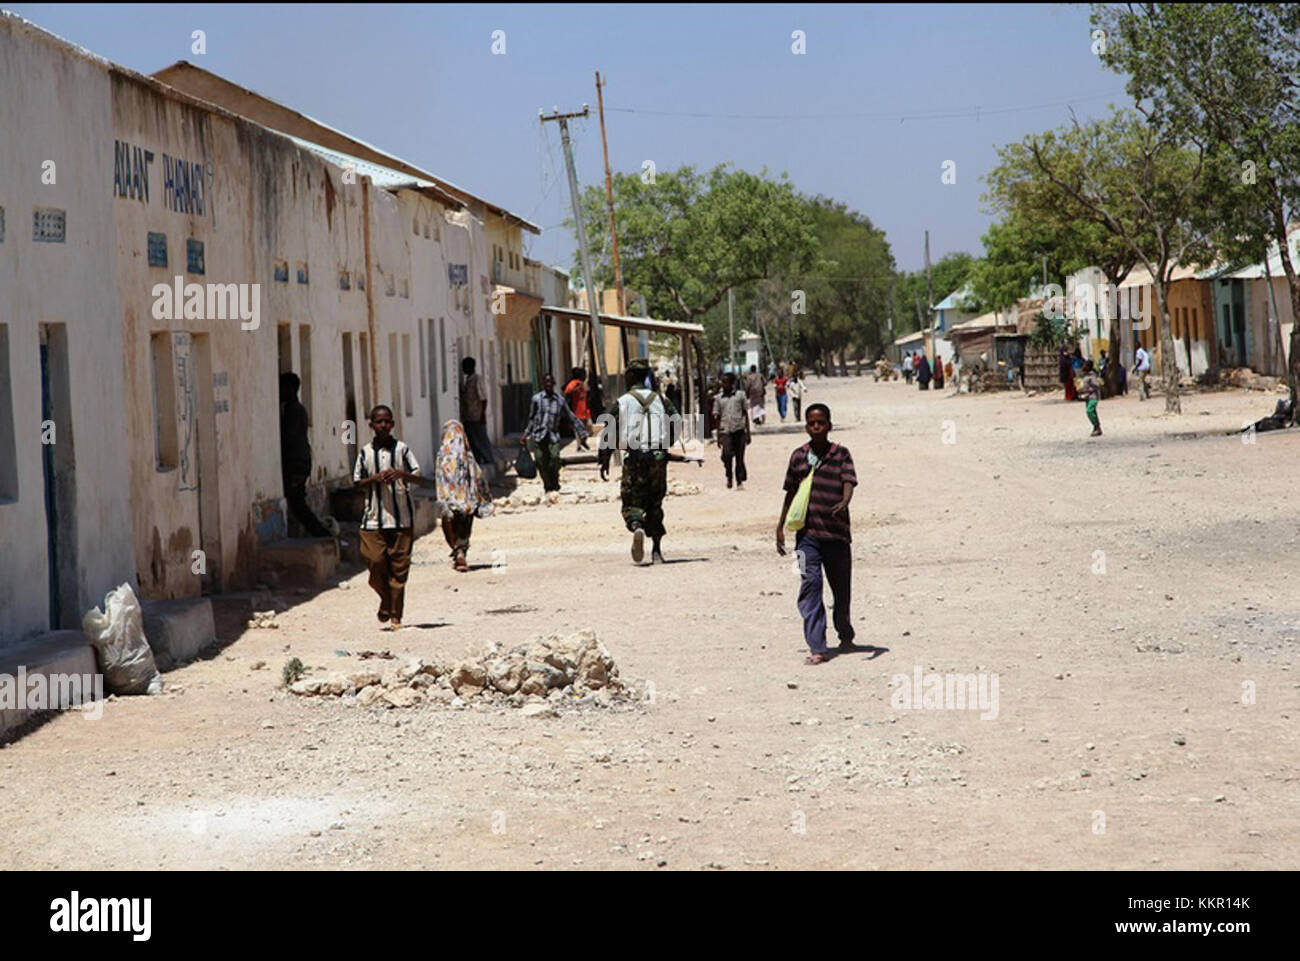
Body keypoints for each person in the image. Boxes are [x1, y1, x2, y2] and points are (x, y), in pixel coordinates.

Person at [775, 403, 858, 665]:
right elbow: (790, 492)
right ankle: (817, 646)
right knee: (810, 586)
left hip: (837, 535)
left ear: (829, 425)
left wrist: (845, 501)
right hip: (805, 537)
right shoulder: (798, 456)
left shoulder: (841, 454)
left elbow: (849, 481)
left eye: (821, 422)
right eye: (811, 423)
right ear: (806, 426)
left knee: (841, 589)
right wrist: (780, 526)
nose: (816, 427)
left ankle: (844, 632)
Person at [598, 358, 679, 565]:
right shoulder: (661, 400)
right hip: (658, 459)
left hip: (635, 458)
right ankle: (657, 551)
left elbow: (608, 429)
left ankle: (637, 527)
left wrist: (604, 458)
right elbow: (676, 421)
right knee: (655, 503)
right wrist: (666, 443)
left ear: (632, 376)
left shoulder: (623, 401)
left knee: (632, 500)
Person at [353, 405, 422, 630]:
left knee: (399, 570)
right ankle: (385, 599)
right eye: (379, 422)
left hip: (402, 520)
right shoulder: (364, 452)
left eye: (387, 421)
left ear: (392, 424)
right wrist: (374, 478)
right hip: (373, 519)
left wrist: (400, 474)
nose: (383, 425)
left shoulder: (402, 450)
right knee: (374, 561)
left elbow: (419, 477)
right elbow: (356, 482)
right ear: (371, 425)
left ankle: (396, 616)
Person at [435, 420, 492, 572]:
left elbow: (439, 478)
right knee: (464, 528)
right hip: (467, 501)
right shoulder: (468, 455)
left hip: (449, 500)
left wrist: (442, 498)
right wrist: (482, 496)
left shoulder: (442, 454)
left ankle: (457, 551)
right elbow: (477, 477)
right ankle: (460, 552)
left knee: (450, 526)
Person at [279, 372, 331, 538]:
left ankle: (321, 533)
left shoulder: (293, 410)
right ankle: (320, 532)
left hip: (296, 462)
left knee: (297, 504)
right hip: (300, 461)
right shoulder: (296, 408)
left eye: (283, 388)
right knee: (297, 502)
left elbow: (289, 437)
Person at [522, 372, 589, 497]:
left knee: (554, 460)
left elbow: (571, 417)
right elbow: (531, 418)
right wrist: (526, 434)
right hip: (539, 435)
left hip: (553, 436)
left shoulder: (560, 401)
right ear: (543, 384)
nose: (548, 385)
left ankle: (555, 482)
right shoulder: (536, 399)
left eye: (550, 382)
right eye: (546, 382)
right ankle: (548, 486)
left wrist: (582, 432)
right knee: (541, 461)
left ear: (553, 384)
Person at [713, 371, 751, 489]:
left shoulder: (740, 395)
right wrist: (718, 436)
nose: (723, 385)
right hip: (726, 431)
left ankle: (739, 481)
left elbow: (745, 414)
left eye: (725, 382)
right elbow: (717, 417)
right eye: (722, 382)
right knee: (726, 455)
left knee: (740, 458)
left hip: (739, 430)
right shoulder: (719, 398)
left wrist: (748, 433)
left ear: (732, 383)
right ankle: (728, 474)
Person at [459, 357, 493, 465]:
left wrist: (482, 414)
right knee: (472, 440)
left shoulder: (477, 379)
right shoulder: (468, 381)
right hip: (467, 416)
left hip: (476, 415)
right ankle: (478, 459)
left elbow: (483, 398)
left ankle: (489, 459)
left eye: (465, 367)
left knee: (481, 438)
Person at [1080, 360, 1103, 437]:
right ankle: (1097, 428)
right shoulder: (1085, 376)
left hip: (1093, 396)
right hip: (1087, 397)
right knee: (1093, 412)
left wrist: (1088, 390)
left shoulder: (1092, 376)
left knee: (1089, 411)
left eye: (1085, 365)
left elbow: (1096, 386)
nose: (1083, 366)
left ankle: (1096, 426)